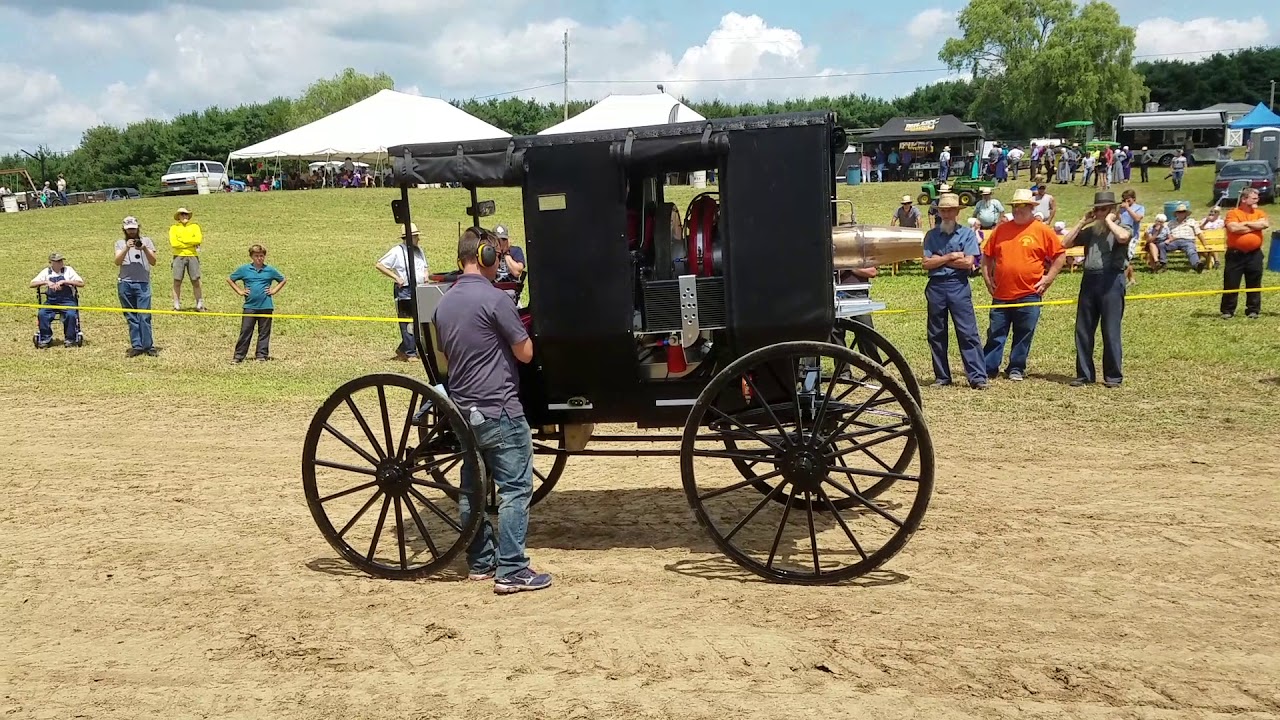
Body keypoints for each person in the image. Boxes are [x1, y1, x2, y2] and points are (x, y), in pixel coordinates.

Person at [433, 229, 551, 594]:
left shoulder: (444, 304)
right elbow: (525, 353)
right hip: (499, 407)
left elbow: (447, 357)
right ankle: (513, 569)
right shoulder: (496, 300)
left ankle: (481, 562)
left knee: (472, 490)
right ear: (487, 257)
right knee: (515, 488)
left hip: (465, 410)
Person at [980, 188, 1065, 382]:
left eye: (1023, 206)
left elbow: (1060, 255)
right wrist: (987, 279)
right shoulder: (1001, 230)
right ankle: (988, 367)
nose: (1019, 210)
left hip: (1030, 293)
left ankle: (1016, 367)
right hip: (1001, 292)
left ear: (1031, 207)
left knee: (1024, 332)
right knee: (996, 332)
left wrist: (1048, 278)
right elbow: (987, 256)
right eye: (1016, 206)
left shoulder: (1042, 230)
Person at [1062, 191, 1132, 387]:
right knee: (1083, 329)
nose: (1099, 213)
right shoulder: (1091, 231)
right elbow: (1064, 243)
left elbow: (1123, 237)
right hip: (1090, 279)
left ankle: (1113, 376)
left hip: (1111, 279)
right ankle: (1084, 374)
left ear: (1113, 210)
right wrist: (1082, 222)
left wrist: (1110, 221)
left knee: (1110, 330)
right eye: (1097, 209)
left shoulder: (1122, 227)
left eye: (1104, 209)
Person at [921, 193, 987, 389]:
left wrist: (938, 259)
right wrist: (951, 256)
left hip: (958, 285)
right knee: (936, 333)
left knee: (967, 331)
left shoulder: (967, 234)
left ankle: (977, 377)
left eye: (950, 210)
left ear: (957, 212)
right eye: (943, 210)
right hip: (936, 287)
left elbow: (968, 262)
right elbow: (926, 263)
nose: (946, 214)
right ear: (939, 212)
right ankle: (942, 377)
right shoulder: (931, 235)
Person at [375, 222, 428, 360]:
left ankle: (404, 349)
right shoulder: (397, 251)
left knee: (418, 321)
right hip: (405, 290)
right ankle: (410, 353)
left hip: (419, 288)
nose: (418, 239)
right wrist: (396, 277)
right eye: (416, 236)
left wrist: (426, 276)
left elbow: (425, 266)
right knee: (407, 321)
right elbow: (380, 265)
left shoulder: (419, 250)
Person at [226, 244, 287, 362]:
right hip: (250, 306)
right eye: (256, 256)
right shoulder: (244, 269)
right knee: (245, 331)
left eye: (261, 256)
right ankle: (238, 356)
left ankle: (261, 355)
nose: (259, 258)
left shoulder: (270, 270)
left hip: (266, 305)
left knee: (264, 332)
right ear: (252, 257)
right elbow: (230, 279)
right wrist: (240, 291)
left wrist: (273, 290)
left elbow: (283, 280)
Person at [1221, 187, 1270, 319]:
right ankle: (1228, 310)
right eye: (1254, 198)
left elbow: (1264, 225)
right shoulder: (1233, 213)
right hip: (1235, 254)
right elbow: (1233, 228)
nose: (1257, 200)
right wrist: (1253, 226)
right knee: (1231, 282)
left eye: (1257, 197)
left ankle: (1253, 310)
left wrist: (1245, 224)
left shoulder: (1260, 212)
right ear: (1244, 199)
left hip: (1254, 254)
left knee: (1254, 282)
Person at [114, 216, 158, 357]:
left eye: (133, 229)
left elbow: (153, 261)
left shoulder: (147, 241)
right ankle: (137, 345)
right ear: (124, 230)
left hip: (142, 283)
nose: (131, 232)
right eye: (128, 230)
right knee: (131, 316)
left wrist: (144, 248)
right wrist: (127, 248)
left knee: (144, 316)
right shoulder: (120, 243)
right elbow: (117, 261)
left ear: (138, 228)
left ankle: (148, 346)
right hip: (125, 283)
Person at [30, 252, 84, 348]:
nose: (61, 262)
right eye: (58, 261)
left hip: (67, 301)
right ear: (51, 262)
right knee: (42, 314)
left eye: (61, 260)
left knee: (71, 314)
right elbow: (32, 284)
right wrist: (46, 282)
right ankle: (45, 338)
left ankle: (70, 338)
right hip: (51, 301)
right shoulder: (46, 272)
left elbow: (81, 283)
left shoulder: (69, 270)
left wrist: (65, 282)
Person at [169, 207, 205, 311]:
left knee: (196, 280)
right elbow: (174, 243)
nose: (185, 216)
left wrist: (182, 241)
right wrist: (191, 243)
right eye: (182, 214)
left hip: (193, 256)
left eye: (186, 214)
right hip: (178, 256)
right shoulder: (173, 228)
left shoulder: (195, 227)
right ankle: (176, 304)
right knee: (177, 280)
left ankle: (199, 303)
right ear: (178, 217)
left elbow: (198, 239)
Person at [1162, 203, 1208, 273]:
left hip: (1188, 241)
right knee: (1162, 245)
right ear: (1176, 213)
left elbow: (1199, 233)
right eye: (1179, 212)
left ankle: (1197, 265)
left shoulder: (1192, 222)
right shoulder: (1170, 223)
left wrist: (1205, 245)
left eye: (1183, 212)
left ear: (1186, 213)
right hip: (1174, 241)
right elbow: (1162, 229)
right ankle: (1162, 265)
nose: (1181, 213)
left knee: (1191, 250)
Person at [491, 224, 526, 304]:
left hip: (511, 294)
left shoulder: (516, 251)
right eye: (498, 240)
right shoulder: (490, 254)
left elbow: (517, 272)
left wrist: (506, 253)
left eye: (504, 239)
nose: (501, 242)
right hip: (494, 293)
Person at [1118, 189, 1145, 285]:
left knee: (1127, 257)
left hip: (1133, 237)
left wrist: (1128, 208)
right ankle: (1132, 279)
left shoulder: (1139, 208)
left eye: (1128, 200)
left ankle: (1122, 281)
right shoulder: (1121, 209)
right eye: (1124, 200)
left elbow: (1137, 219)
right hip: (1121, 235)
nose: (1126, 202)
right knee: (1125, 257)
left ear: (1134, 199)